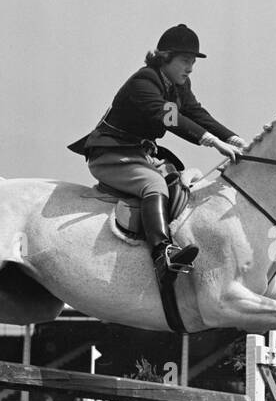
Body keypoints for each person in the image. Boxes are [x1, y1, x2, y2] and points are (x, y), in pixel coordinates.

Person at [68, 25, 251, 286]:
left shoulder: (179, 84)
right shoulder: (144, 81)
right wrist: (213, 142)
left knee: (180, 179)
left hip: (136, 153)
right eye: (185, 61)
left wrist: (234, 139)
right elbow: (170, 117)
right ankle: (162, 255)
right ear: (166, 57)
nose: (190, 68)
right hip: (109, 154)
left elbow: (197, 114)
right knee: (154, 184)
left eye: (192, 63)